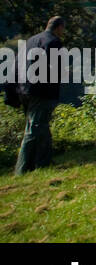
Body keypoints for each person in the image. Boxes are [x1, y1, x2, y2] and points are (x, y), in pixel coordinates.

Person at [14, 16, 66, 175]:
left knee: (41, 126)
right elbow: (57, 69)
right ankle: (21, 169)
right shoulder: (54, 42)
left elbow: (17, 63)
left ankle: (43, 162)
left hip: (24, 90)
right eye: (63, 28)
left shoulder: (31, 41)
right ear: (58, 27)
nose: (63, 31)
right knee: (34, 129)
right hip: (42, 91)